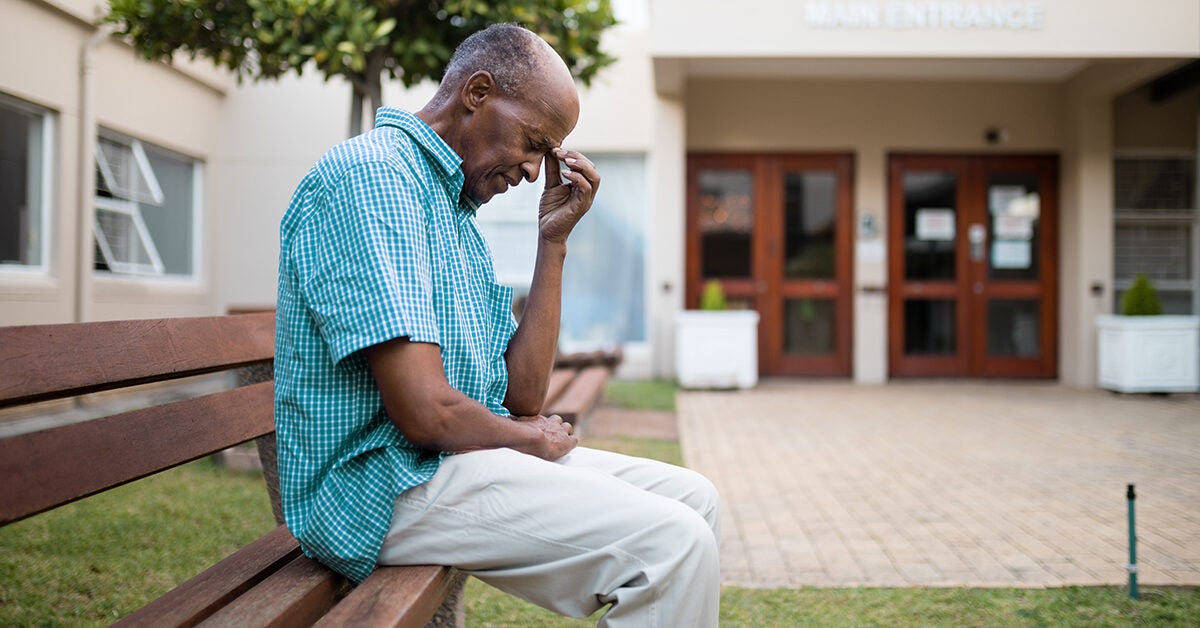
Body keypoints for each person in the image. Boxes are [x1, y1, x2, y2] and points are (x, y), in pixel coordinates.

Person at [274, 24, 720, 626]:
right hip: (376, 487)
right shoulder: (376, 179)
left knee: (696, 501)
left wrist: (553, 242)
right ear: (477, 93)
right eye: (534, 142)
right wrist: (530, 439)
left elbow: (521, 395)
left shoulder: (453, 210)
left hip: (440, 462)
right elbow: (426, 412)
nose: (537, 171)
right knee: (674, 543)